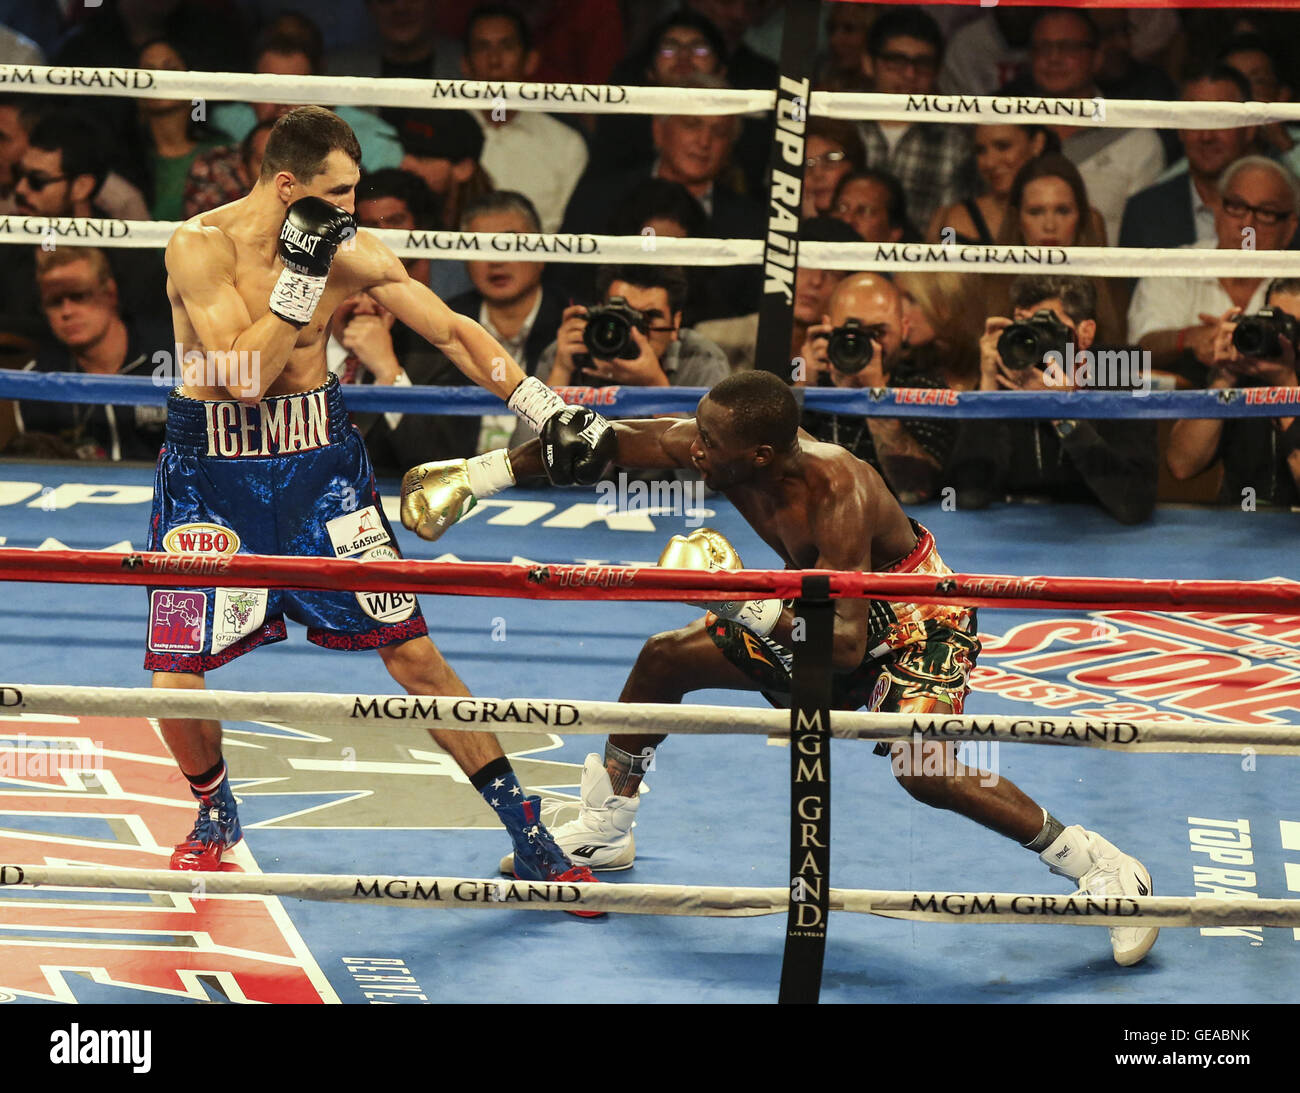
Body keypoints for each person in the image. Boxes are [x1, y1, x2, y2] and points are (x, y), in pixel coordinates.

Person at [400, 370, 1160, 967]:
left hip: (917, 625)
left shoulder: (840, 490)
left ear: (760, 453)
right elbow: (600, 445)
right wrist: (482, 474)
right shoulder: (717, 447)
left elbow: (851, 650)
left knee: (923, 767)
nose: (690, 448)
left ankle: (1104, 865)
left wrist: (740, 599)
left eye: (707, 441)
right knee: (665, 661)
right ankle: (606, 823)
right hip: (813, 613)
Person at [150, 106, 614, 888]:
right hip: (212, 475)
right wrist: (300, 283)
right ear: (288, 185)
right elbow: (240, 375)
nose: (350, 211)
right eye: (337, 194)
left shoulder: (349, 247)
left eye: (354, 192)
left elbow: (452, 331)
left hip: (321, 471)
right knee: (173, 671)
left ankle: (529, 833)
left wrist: (543, 406)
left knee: (415, 653)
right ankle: (213, 805)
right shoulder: (203, 245)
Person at [949, 274, 1157, 526]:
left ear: (1085, 332)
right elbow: (970, 495)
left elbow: (1134, 505)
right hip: (1011, 541)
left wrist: (1063, 413)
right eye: (1027, 327)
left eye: (1047, 327)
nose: (1037, 338)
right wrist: (988, 393)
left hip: (1098, 544)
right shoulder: (1005, 376)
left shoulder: (1119, 375)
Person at [1129, 157, 1300, 383]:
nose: (1247, 223)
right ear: (1217, 210)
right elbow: (1141, 345)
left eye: (1266, 213)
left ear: (1290, 227)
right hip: (1191, 401)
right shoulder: (1175, 263)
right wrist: (1189, 338)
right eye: (1236, 207)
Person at [796, 272, 954, 504]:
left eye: (878, 333)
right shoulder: (811, 381)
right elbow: (770, 475)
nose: (867, 345)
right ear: (828, 327)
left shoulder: (924, 389)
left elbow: (914, 490)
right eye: (852, 331)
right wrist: (803, 391)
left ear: (904, 329)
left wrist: (876, 394)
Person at [9, 247, 167, 462]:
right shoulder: (38, 378)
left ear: (109, 293)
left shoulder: (171, 356)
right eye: (55, 302)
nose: (67, 312)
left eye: (79, 296)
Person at [1166, 277, 1300, 507]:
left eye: (1291, 326)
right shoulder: (1244, 371)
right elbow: (1182, 464)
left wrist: (1286, 390)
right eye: (1276, 323)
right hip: (1240, 527)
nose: (1281, 337)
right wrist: (1223, 379)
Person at [459, 4, 588, 234]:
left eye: (506, 47)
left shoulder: (566, 144)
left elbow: (568, 233)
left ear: (531, 61)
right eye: (482, 48)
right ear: (465, 64)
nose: (495, 61)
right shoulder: (444, 135)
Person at [858, 9, 974, 234]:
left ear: (938, 71)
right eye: (896, 61)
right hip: (832, 260)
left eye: (923, 63)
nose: (910, 74)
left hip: (918, 265)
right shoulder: (840, 123)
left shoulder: (954, 144)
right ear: (868, 63)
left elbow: (949, 229)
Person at [1119, 66, 1257, 250]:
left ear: (1250, 128)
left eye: (1221, 119)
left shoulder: (1284, 207)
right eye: (1195, 119)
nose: (1207, 136)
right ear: (1179, 129)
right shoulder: (1145, 211)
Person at [927, 125, 1052, 245]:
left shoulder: (1058, 217)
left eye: (1003, 146)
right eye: (980, 151)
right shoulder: (956, 221)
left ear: (1037, 143)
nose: (990, 162)